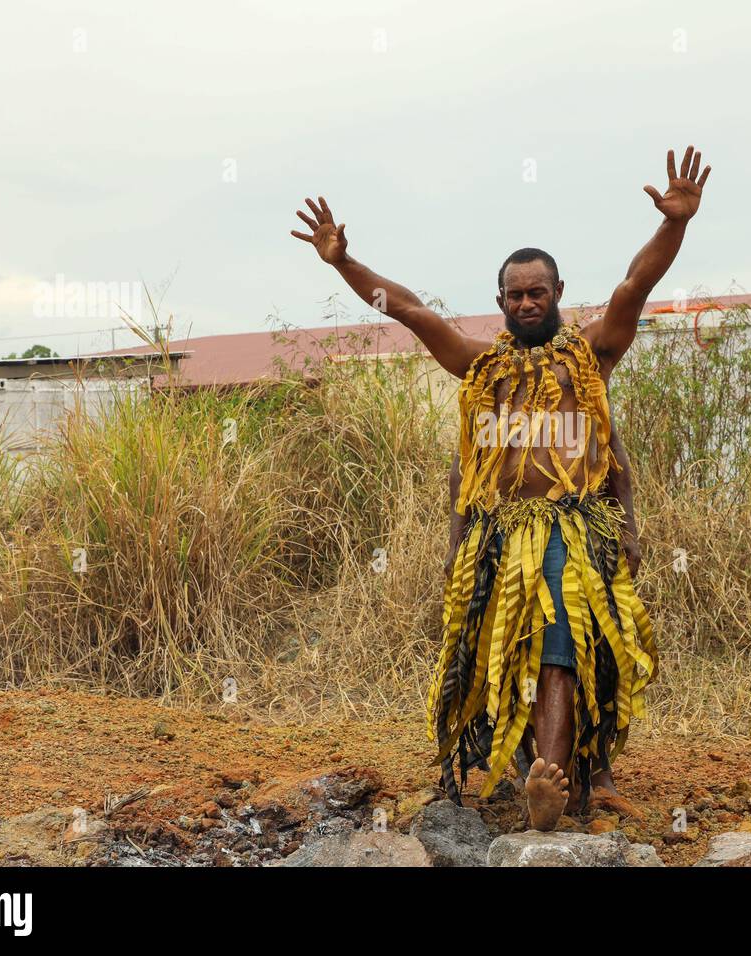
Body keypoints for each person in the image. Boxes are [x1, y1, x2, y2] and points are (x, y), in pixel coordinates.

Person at [291, 146, 711, 830]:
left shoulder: (590, 355)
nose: (525, 302)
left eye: (536, 291)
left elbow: (635, 286)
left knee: (562, 643)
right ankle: (523, 766)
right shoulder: (480, 368)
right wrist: (341, 262)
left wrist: (675, 226)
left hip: (569, 532)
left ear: (557, 295)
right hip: (494, 534)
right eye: (514, 294)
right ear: (500, 302)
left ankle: (549, 782)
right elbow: (408, 310)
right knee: (485, 661)